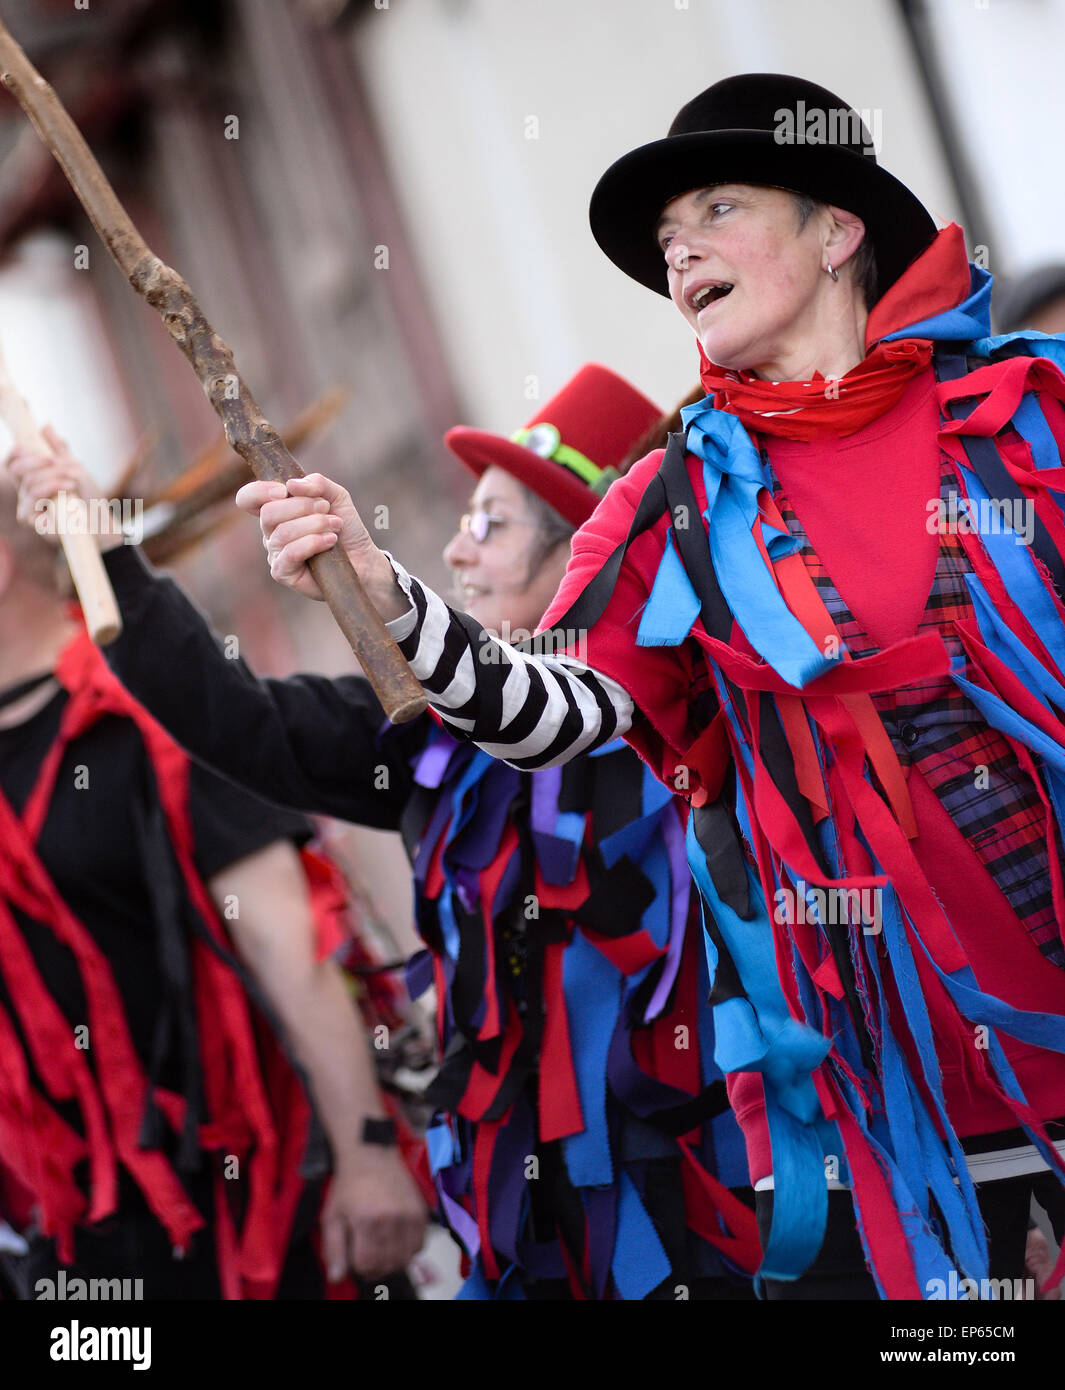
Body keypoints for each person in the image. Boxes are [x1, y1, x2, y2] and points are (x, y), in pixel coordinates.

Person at [170, 72, 1065, 1301]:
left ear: (839, 228)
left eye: (718, 205)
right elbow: (558, 711)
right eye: (664, 237)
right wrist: (385, 593)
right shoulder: (677, 498)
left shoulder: (1027, 419)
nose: (678, 245)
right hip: (893, 1127)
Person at [11, 366, 761, 1299]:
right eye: (463, 517)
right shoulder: (426, 741)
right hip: (537, 1237)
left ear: (585, 560)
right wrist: (105, 548)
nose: (454, 550)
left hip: (723, 1214)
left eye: (490, 525)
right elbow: (230, 717)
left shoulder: (691, 735)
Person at [0, 462, 427, 1300]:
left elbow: (287, 936)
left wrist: (368, 1154)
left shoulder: (145, 708)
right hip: (80, 1233)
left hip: (260, 1208)